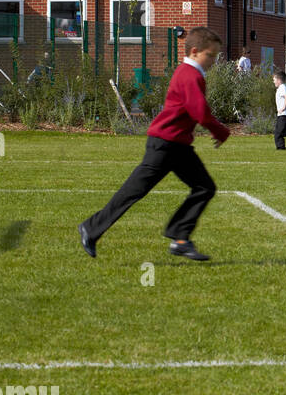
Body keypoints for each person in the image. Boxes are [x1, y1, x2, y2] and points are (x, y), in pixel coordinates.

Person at [78, 27, 229, 262]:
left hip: (177, 146)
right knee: (134, 191)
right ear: (194, 51)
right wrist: (221, 131)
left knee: (204, 187)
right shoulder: (190, 75)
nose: (213, 61)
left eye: (216, 56)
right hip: (164, 145)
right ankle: (90, 228)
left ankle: (180, 239)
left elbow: (195, 111)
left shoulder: (190, 73)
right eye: (210, 55)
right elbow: (199, 111)